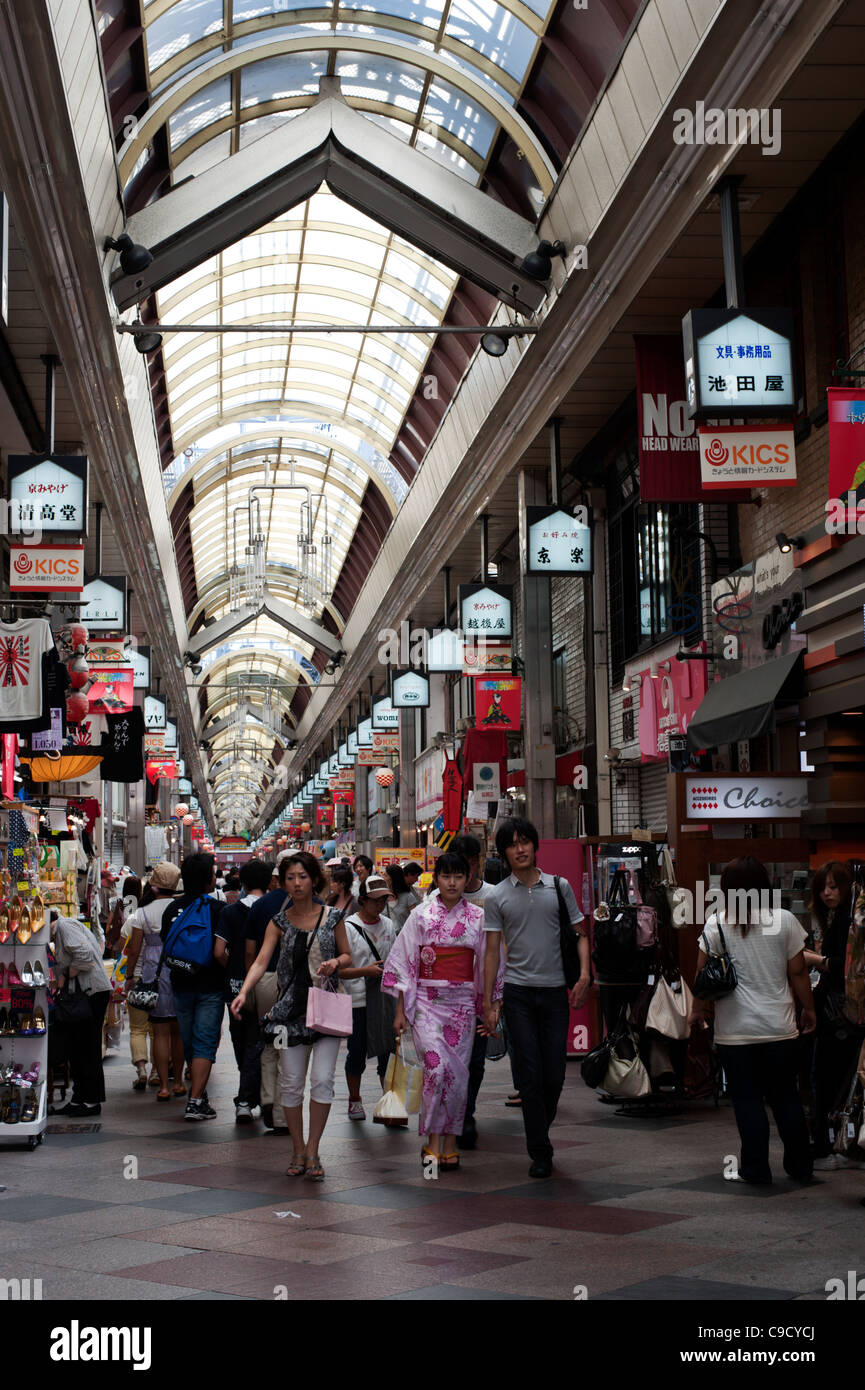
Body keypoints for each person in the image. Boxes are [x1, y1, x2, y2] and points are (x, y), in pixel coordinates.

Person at [689, 856, 816, 1185]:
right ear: (765, 885)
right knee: (786, 1097)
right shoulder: (785, 920)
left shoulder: (716, 922)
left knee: (747, 1101)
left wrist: (696, 1012)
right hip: (780, 1028)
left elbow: (701, 975)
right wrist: (809, 1009)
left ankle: (756, 1169)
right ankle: (800, 1166)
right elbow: (799, 972)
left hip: (736, 1033)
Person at [231, 853, 352, 1181]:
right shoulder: (278, 921)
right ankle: (297, 1148)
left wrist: (336, 963)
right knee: (291, 1082)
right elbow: (260, 961)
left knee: (323, 1080)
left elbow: (346, 953)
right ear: (281, 882)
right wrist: (244, 991)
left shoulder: (333, 917)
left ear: (314, 880)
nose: (297, 884)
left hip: (325, 1006)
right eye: (290, 878)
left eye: (302, 877)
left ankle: (313, 1149)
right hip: (289, 1011)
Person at [482, 817, 590, 1179]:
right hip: (519, 995)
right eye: (512, 844)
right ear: (504, 853)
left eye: (525, 841)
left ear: (535, 845)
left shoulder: (558, 887)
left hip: (555, 992)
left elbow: (580, 934)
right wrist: (489, 1001)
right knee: (529, 1072)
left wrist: (586, 975)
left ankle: (540, 1127)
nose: (521, 848)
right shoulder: (497, 896)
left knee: (554, 1075)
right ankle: (539, 1149)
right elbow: (493, 952)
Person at [382, 852, 501, 1169]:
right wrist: (399, 1011)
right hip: (426, 1004)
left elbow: (491, 963)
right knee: (436, 1071)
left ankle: (449, 1142)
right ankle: (433, 1141)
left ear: (467, 879)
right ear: (437, 879)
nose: (452, 883)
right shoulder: (420, 915)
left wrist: (490, 1004)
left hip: (461, 1006)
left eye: (458, 877)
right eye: (446, 876)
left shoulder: (477, 918)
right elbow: (404, 961)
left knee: (457, 1077)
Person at [245, 851, 319, 1132]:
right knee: (292, 1043)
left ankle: (268, 1099)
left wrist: (249, 986)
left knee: (269, 1042)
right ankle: (283, 1110)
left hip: (265, 980)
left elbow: (251, 952)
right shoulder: (318, 906)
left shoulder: (262, 905)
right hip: (301, 984)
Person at [801, 861, 861, 1167]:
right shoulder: (841, 918)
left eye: (833, 887)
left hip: (839, 1015)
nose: (827, 893)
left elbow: (844, 968)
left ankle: (828, 1143)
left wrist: (814, 958)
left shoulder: (847, 921)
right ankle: (836, 1140)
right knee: (832, 1079)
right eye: (823, 888)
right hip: (841, 1014)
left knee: (826, 1078)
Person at [161, 853, 229, 1121]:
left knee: (189, 1040)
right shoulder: (217, 909)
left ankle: (198, 1094)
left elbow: (168, 944)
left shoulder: (171, 910)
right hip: (210, 985)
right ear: (207, 880)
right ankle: (196, 1099)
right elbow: (220, 951)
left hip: (180, 983)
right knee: (205, 1041)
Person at [123, 863, 187, 1101]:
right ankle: (179, 1082)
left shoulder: (142, 912)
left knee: (160, 1032)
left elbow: (135, 949)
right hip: (180, 967)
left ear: (154, 886)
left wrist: (130, 977)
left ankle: (162, 1087)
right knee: (178, 1031)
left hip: (153, 969)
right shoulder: (182, 908)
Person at [221, 859, 274, 1123]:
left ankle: (246, 1096)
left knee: (242, 1040)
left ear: (242, 882)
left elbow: (219, 952)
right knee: (264, 1041)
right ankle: (256, 1095)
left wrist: (232, 968)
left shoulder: (229, 912)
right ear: (270, 882)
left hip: (235, 987)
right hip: (268, 985)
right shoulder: (275, 910)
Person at [341, 877, 399, 1120]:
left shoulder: (388, 924)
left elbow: (396, 959)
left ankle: (389, 1103)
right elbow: (338, 970)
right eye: (375, 900)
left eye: (384, 899)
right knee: (357, 1052)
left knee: (388, 1052)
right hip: (358, 1000)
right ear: (362, 900)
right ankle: (355, 1099)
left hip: (384, 998)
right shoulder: (347, 927)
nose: (381, 905)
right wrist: (366, 971)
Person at [51, 914, 114, 1117]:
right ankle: (79, 1098)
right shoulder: (63, 928)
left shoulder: (63, 926)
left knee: (87, 1046)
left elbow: (84, 956)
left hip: (91, 993)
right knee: (77, 1047)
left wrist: (65, 974)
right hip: (85, 994)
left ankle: (91, 1101)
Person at [383, 863, 417, 934]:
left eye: (385, 875)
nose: (383, 878)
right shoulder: (382, 897)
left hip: (404, 937)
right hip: (387, 939)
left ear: (393, 879)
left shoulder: (408, 897)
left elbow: (415, 920)